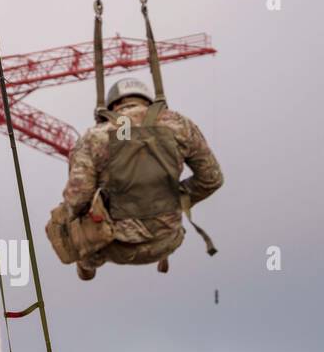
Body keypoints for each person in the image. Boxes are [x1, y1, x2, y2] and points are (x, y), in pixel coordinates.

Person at [56, 77, 222, 280]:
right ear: (148, 101)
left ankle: (87, 264)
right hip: (167, 239)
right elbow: (212, 179)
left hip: (112, 246)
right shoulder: (181, 126)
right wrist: (172, 198)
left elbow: (77, 199)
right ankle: (161, 251)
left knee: (61, 218)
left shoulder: (95, 136)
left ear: (114, 106)